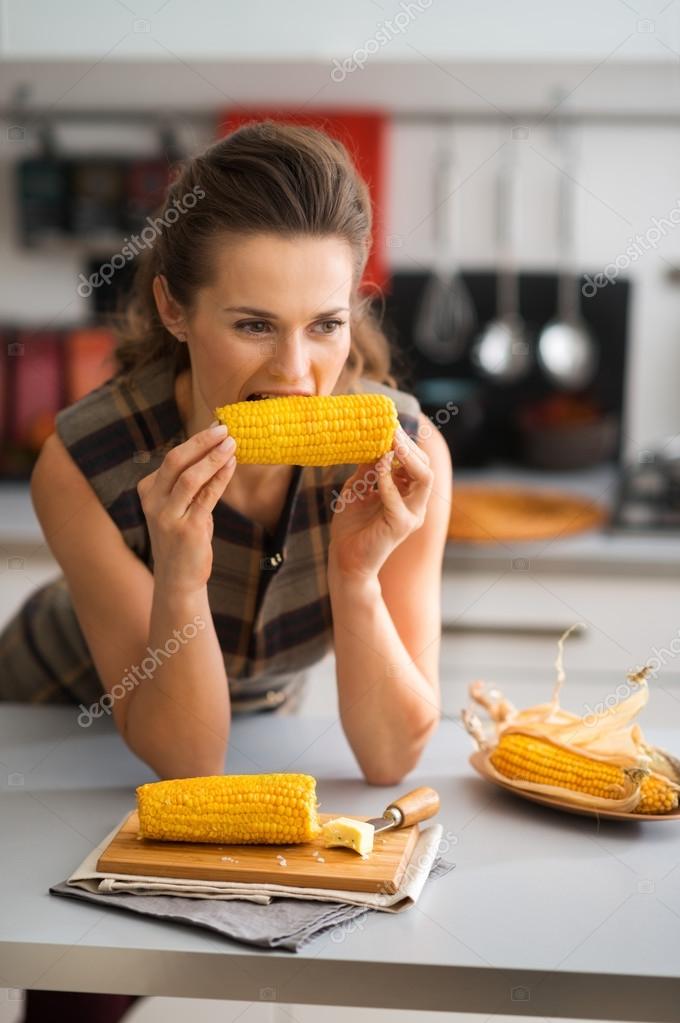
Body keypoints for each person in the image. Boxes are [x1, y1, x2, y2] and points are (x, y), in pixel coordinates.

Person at [0, 119, 452, 1021]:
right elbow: (185, 756)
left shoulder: (404, 455)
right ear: (175, 309)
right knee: (74, 983)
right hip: (57, 716)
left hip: (253, 713)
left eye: (325, 325)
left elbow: (394, 753)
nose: (295, 374)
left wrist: (357, 577)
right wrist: (176, 573)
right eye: (252, 325)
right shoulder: (85, 462)